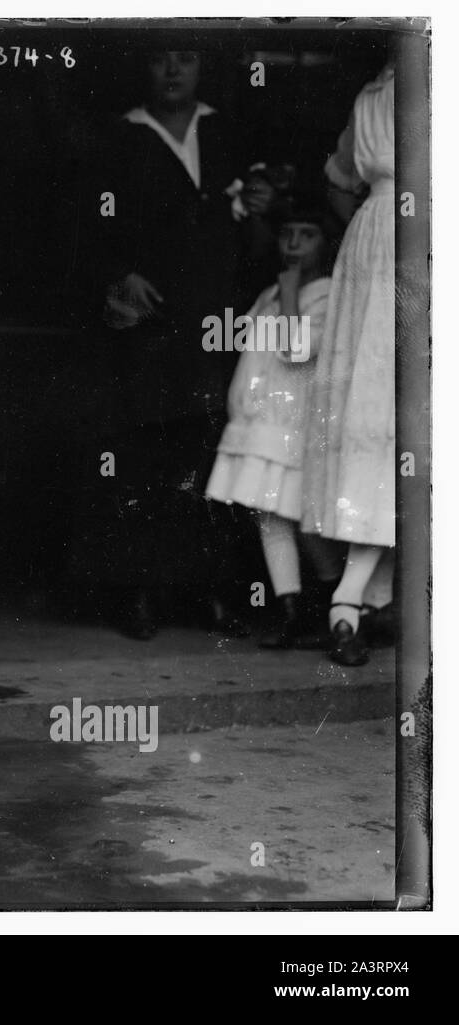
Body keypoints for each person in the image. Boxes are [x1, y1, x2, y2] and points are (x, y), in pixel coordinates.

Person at [80, 49, 274, 640]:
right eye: (160, 60)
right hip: (151, 318)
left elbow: (258, 230)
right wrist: (121, 271)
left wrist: (261, 211)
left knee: (208, 450)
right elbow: (86, 221)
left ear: (200, 70)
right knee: (143, 453)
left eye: (185, 61)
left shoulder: (225, 133)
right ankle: (137, 594)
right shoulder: (121, 137)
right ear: (145, 68)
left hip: (214, 318)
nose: (171, 71)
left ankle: (210, 592)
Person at [205, 196, 346, 648]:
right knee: (270, 513)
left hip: (292, 426)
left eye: (307, 236)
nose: (294, 245)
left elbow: (295, 349)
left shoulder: (328, 295)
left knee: (298, 516)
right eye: (288, 235)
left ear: (325, 244)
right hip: (257, 422)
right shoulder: (270, 294)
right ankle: (293, 605)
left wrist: (288, 290)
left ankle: (335, 594)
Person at [301, 63, 397, 666]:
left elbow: (339, 180)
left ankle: (364, 601)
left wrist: (366, 224)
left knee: (379, 405)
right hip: (416, 238)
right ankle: (352, 599)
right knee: (393, 412)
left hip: (373, 237)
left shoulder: (368, 96)